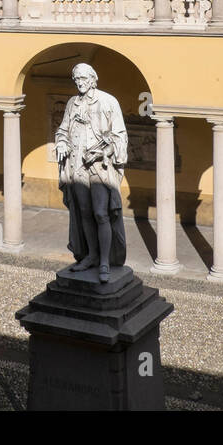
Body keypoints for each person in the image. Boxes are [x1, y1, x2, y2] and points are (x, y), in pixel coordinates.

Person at [55, 62, 128, 281]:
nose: (80, 83)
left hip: (99, 166)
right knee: (83, 212)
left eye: (84, 79)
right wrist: (61, 143)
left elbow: (120, 136)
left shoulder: (107, 102)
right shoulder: (72, 103)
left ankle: (105, 261)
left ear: (93, 79)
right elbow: (63, 129)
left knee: (101, 213)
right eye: (76, 80)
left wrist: (102, 152)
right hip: (77, 164)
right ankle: (91, 256)